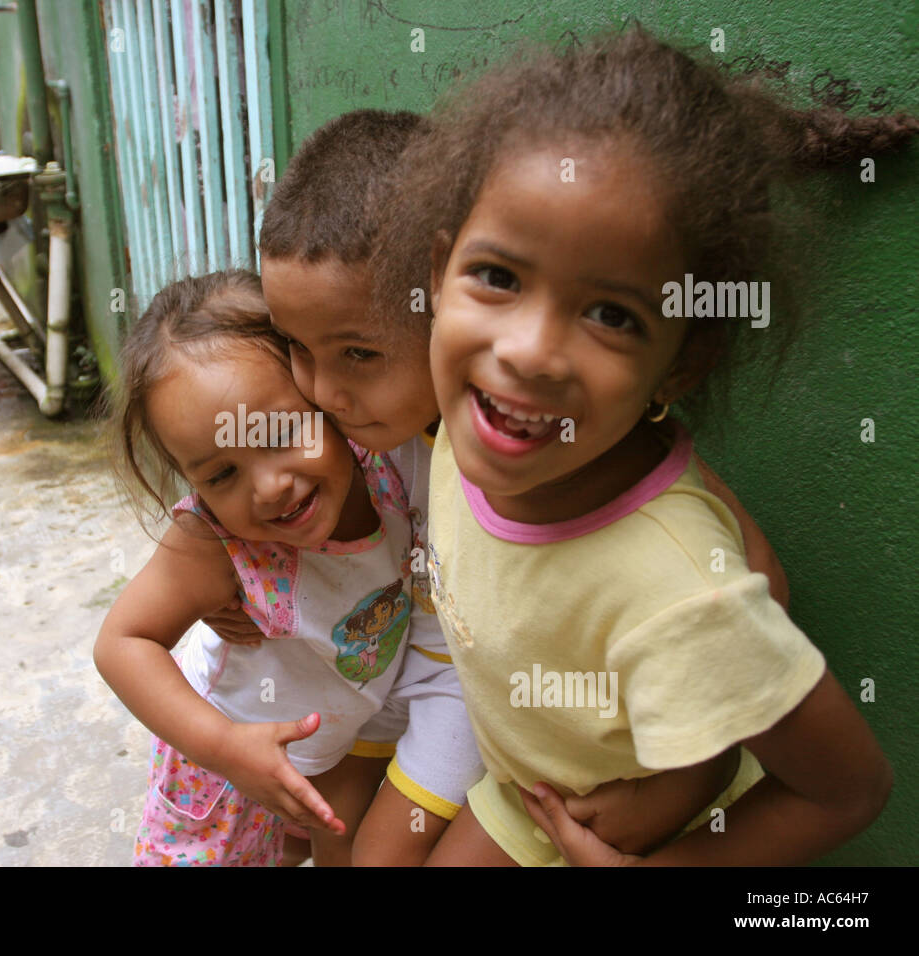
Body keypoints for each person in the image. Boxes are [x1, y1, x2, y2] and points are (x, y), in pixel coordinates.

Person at [370, 27, 912, 864]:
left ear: (680, 365)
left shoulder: (678, 590)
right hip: (529, 792)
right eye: (500, 277)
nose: (528, 352)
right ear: (439, 277)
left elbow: (849, 789)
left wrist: (683, 803)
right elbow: (765, 567)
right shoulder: (463, 424)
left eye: (612, 316)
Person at [259, 107, 792, 864]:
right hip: (524, 769)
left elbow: (757, 586)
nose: (323, 391)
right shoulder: (410, 432)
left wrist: (679, 790)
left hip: (628, 792)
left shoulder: (557, 455)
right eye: (298, 350)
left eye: (359, 355)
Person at [94, 270, 417, 866]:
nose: (270, 488)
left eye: (281, 431)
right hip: (224, 773)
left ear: (318, 384)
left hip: (336, 749)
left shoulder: (390, 463)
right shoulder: (215, 542)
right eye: (221, 475)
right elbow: (121, 642)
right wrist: (226, 748)